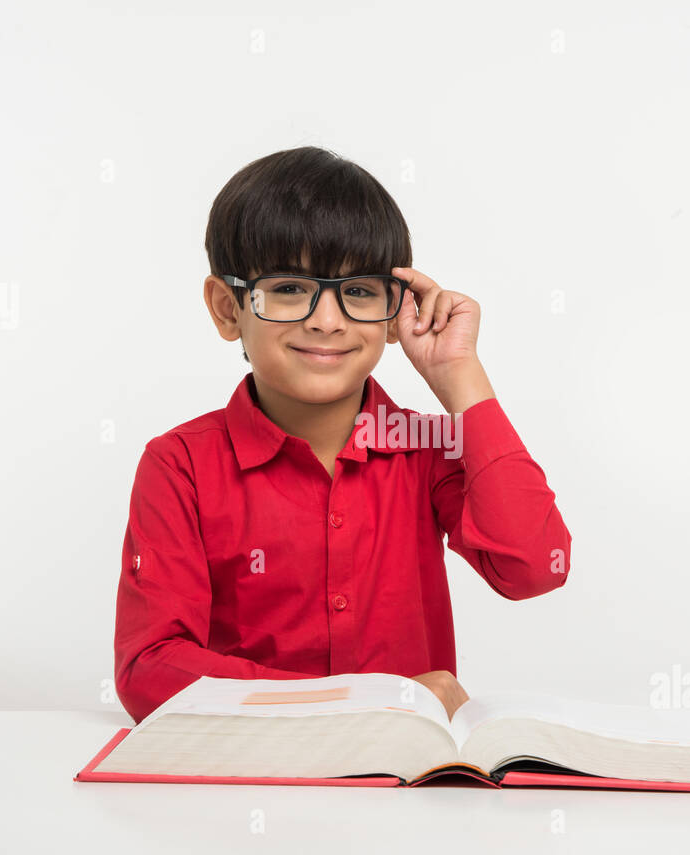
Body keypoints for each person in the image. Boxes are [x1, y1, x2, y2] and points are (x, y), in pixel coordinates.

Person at [113, 146, 571, 725]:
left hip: (408, 785)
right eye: (288, 288)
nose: (326, 321)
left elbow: (535, 568)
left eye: (357, 292)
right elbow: (150, 669)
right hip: (245, 784)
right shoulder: (180, 464)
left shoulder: (429, 450)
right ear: (228, 309)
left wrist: (460, 378)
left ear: (394, 310)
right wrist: (359, 702)